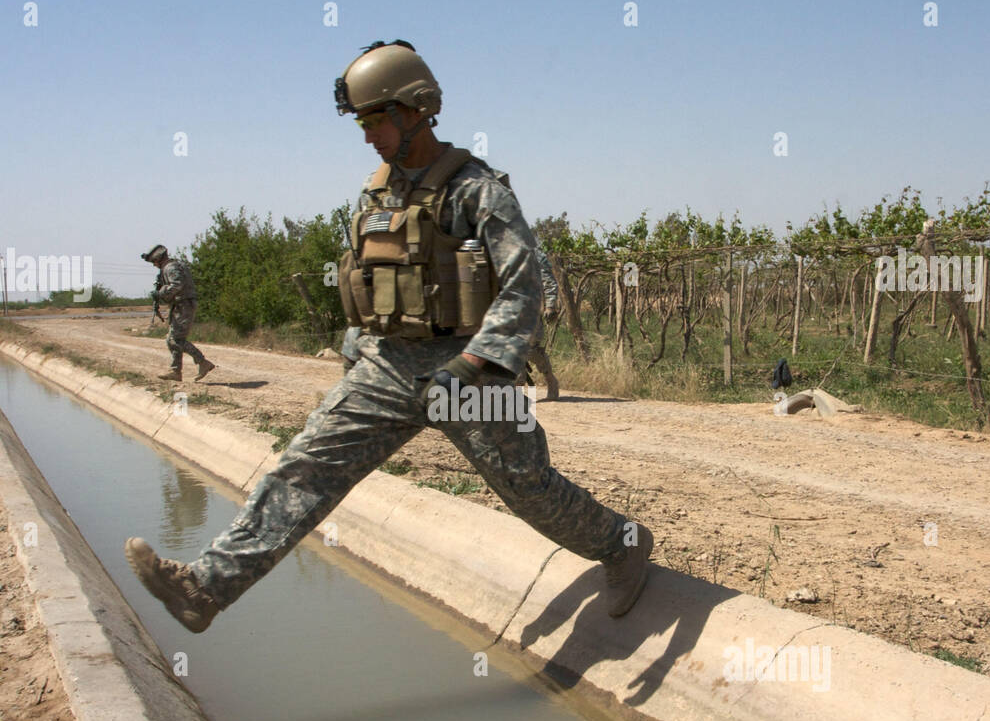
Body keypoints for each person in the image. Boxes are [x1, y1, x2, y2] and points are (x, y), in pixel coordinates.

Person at [124, 40, 652, 633]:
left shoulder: (477, 190)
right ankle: (205, 588)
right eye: (363, 123)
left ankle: (621, 543)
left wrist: (478, 360)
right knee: (304, 468)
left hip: (467, 370)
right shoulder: (376, 191)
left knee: (528, 487)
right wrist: (355, 354)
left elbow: (524, 286)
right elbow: (363, 278)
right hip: (387, 365)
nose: (369, 136)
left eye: (377, 121)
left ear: (416, 109)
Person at [141, 243, 214, 383]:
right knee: (171, 339)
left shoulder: (170, 267)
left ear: (158, 259)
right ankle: (175, 371)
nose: (154, 265)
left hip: (183, 306)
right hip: (180, 305)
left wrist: (160, 292)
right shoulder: (172, 266)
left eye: (154, 261)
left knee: (176, 339)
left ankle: (202, 362)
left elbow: (177, 285)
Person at [524, 246, 560, 399]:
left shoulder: (535, 254)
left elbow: (549, 282)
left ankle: (549, 378)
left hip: (530, 311)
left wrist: (550, 305)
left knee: (530, 350)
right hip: (504, 311)